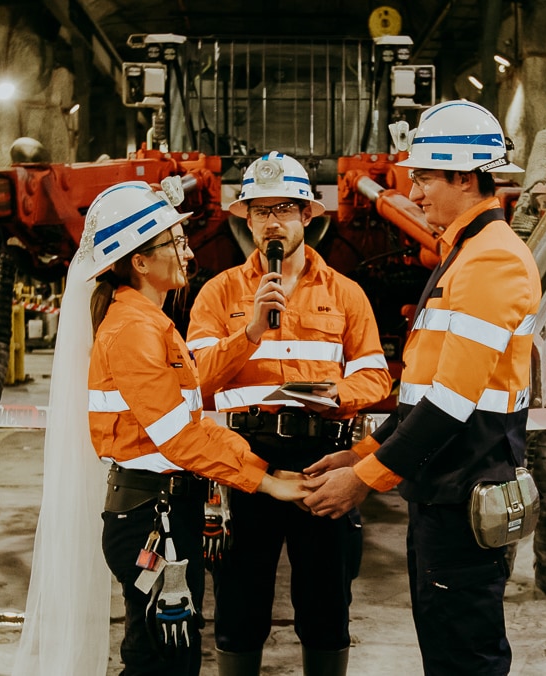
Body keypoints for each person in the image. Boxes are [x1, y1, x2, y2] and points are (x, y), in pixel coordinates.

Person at [302, 100, 541, 675]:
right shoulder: (464, 253)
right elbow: (421, 394)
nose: (415, 189)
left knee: (464, 657)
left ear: (465, 176)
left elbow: (451, 405)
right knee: (445, 647)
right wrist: (361, 450)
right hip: (444, 489)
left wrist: (362, 481)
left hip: (464, 491)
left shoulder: (492, 261)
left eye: (426, 176)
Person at [79, 180, 312, 676]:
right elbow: (179, 435)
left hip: (162, 511)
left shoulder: (152, 323)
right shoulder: (135, 330)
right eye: (174, 242)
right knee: (163, 661)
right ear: (139, 262)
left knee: (164, 653)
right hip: (152, 518)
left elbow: (190, 393)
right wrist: (264, 480)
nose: (187, 251)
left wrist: (249, 335)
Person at [188, 153, 393, 676]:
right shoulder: (219, 292)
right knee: (238, 603)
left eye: (283, 208)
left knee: (326, 603)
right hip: (244, 460)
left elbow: (376, 379)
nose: (271, 221)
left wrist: (334, 395)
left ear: (308, 214)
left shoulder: (346, 295)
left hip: (322, 462)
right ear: (247, 219)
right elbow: (196, 381)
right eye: (259, 210)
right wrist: (250, 331)